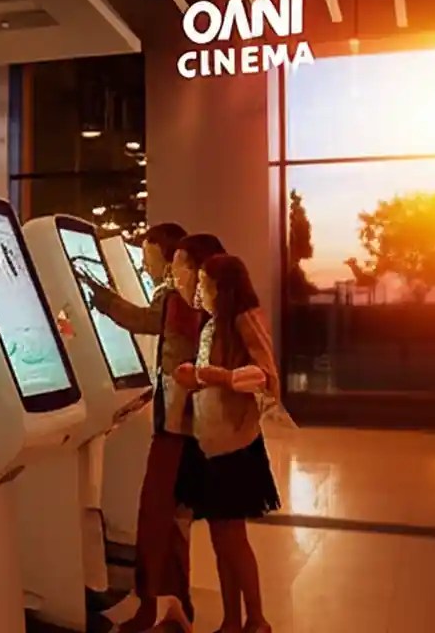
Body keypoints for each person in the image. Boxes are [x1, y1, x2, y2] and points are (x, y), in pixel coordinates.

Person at [82, 228, 228, 633]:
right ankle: (177, 604)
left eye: (161, 259)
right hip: (192, 425)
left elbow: (145, 320)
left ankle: (152, 606)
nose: (148, 265)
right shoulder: (204, 306)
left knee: (155, 516)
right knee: (177, 521)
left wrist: (105, 299)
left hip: (178, 425)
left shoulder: (180, 302)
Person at [172, 254, 281, 633]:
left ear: (222, 286)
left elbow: (265, 377)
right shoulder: (214, 323)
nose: (200, 289)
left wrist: (205, 375)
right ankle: (232, 619)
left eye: (203, 282)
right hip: (213, 442)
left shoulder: (244, 320)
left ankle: (256, 619)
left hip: (235, 445)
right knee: (221, 537)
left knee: (233, 538)